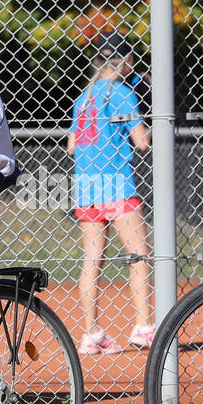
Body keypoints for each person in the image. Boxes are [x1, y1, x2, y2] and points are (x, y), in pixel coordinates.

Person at [67, 31, 155, 355]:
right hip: (116, 181)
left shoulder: (84, 96)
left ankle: (91, 333)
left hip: (86, 183)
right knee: (139, 255)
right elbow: (142, 141)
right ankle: (144, 326)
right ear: (126, 60)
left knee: (93, 258)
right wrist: (157, 120)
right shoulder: (121, 92)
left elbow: (72, 146)